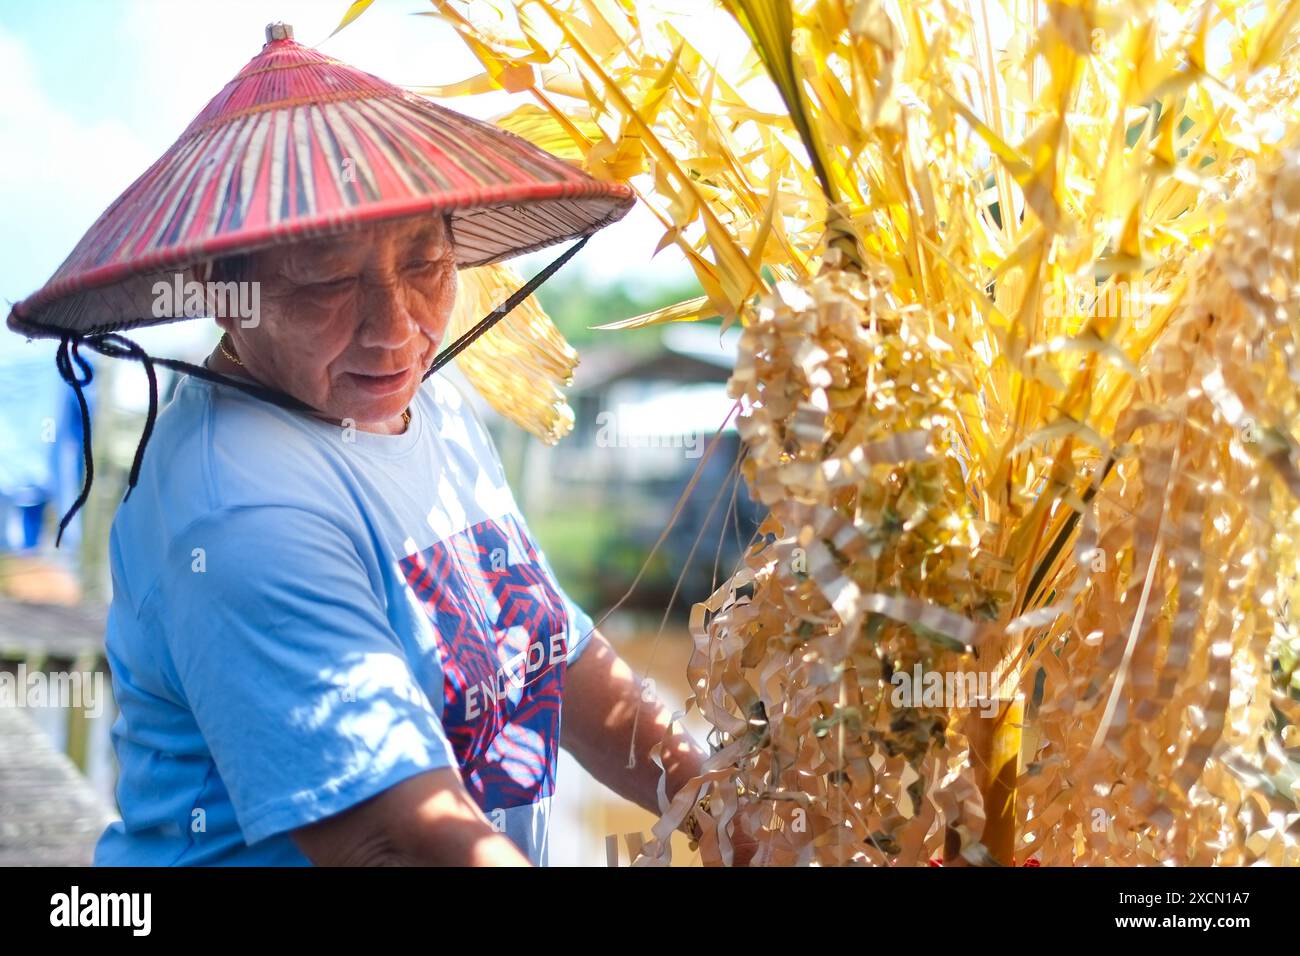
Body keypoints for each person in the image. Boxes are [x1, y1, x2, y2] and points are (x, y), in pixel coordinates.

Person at [7, 23, 730, 865]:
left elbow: (551, 650)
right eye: (327, 280)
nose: (395, 331)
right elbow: (399, 834)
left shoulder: (438, 408)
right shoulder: (238, 510)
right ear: (225, 294)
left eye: (425, 264)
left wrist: (715, 801)